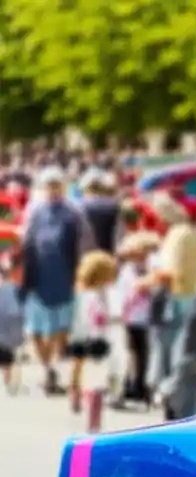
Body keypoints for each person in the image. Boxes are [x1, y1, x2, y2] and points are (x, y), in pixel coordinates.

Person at [19, 167, 91, 395]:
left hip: (64, 278)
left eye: (56, 185)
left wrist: (83, 273)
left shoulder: (73, 212)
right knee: (35, 331)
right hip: (37, 278)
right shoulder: (34, 211)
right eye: (48, 185)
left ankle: (52, 369)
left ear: (63, 186)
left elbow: (85, 243)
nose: (52, 189)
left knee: (61, 328)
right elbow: (25, 241)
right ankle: (47, 367)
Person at [148, 192, 196, 419]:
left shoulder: (178, 235)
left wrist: (146, 281)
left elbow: (171, 272)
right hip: (193, 297)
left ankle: (170, 397)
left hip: (175, 300)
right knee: (186, 357)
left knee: (170, 355)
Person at [66, 251, 117, 426]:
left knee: (78, 365)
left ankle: (75, 392)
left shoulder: (78, 290)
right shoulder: (100, 294)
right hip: (96, 337)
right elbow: (100, 317)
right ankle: (93, 409)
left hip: (78, 333)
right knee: (96, 374)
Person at [115, 232, 158, 406]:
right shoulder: (129, 270)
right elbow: (131, 289)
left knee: (143, 353)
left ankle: (140, 385)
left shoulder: (151, 268)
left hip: (147, 316)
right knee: (135, 352)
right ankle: (133, 385)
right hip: (133, 316)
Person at [79, 169, 123, 253]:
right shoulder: (114, 205)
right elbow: (120, 234)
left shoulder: (79, 206)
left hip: (87, 255)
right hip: (108, 252)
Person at [0, 254, 21, 394]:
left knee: (6, 354)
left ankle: (8, 382)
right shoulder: (10, 286)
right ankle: (8, 382)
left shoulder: (10, 286)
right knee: (7, 354)